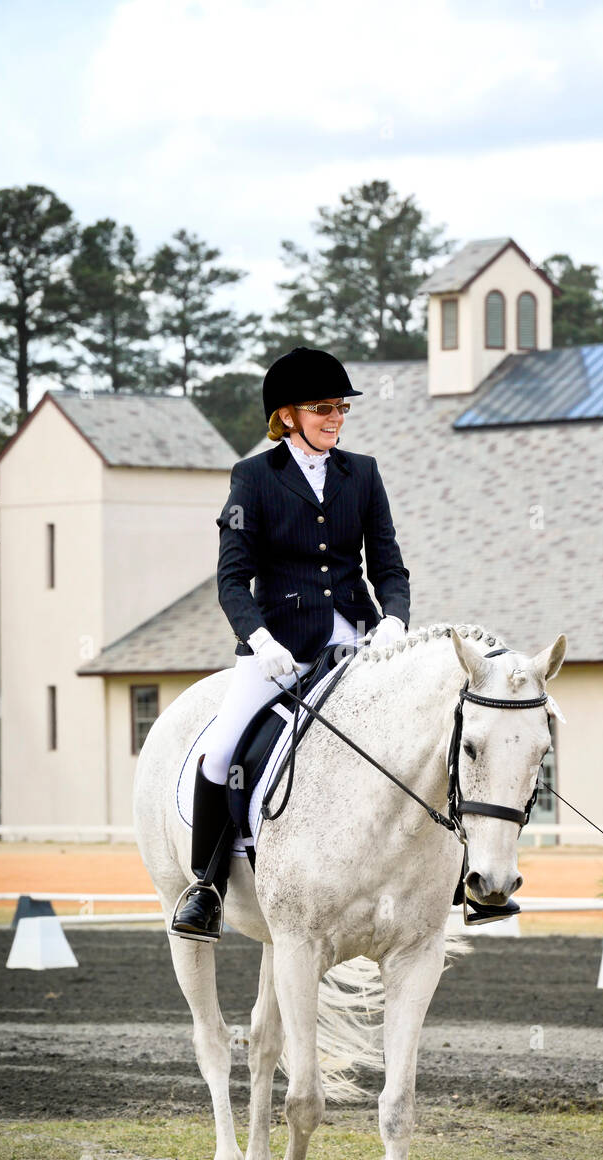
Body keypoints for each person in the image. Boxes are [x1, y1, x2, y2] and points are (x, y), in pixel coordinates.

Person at [170, 346, 411, 939]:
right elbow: (231, 579)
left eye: (342, 408)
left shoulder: (365, 472)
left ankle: (444, 874)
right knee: (222, 752)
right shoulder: (253, 478)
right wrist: (257, 636)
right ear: (287, 415)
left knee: (418, 738)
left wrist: (396, 619)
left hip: (356, 641)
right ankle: (206, 887)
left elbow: (388, 565)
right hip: (277, 645)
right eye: (323, 407)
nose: (336, 417)